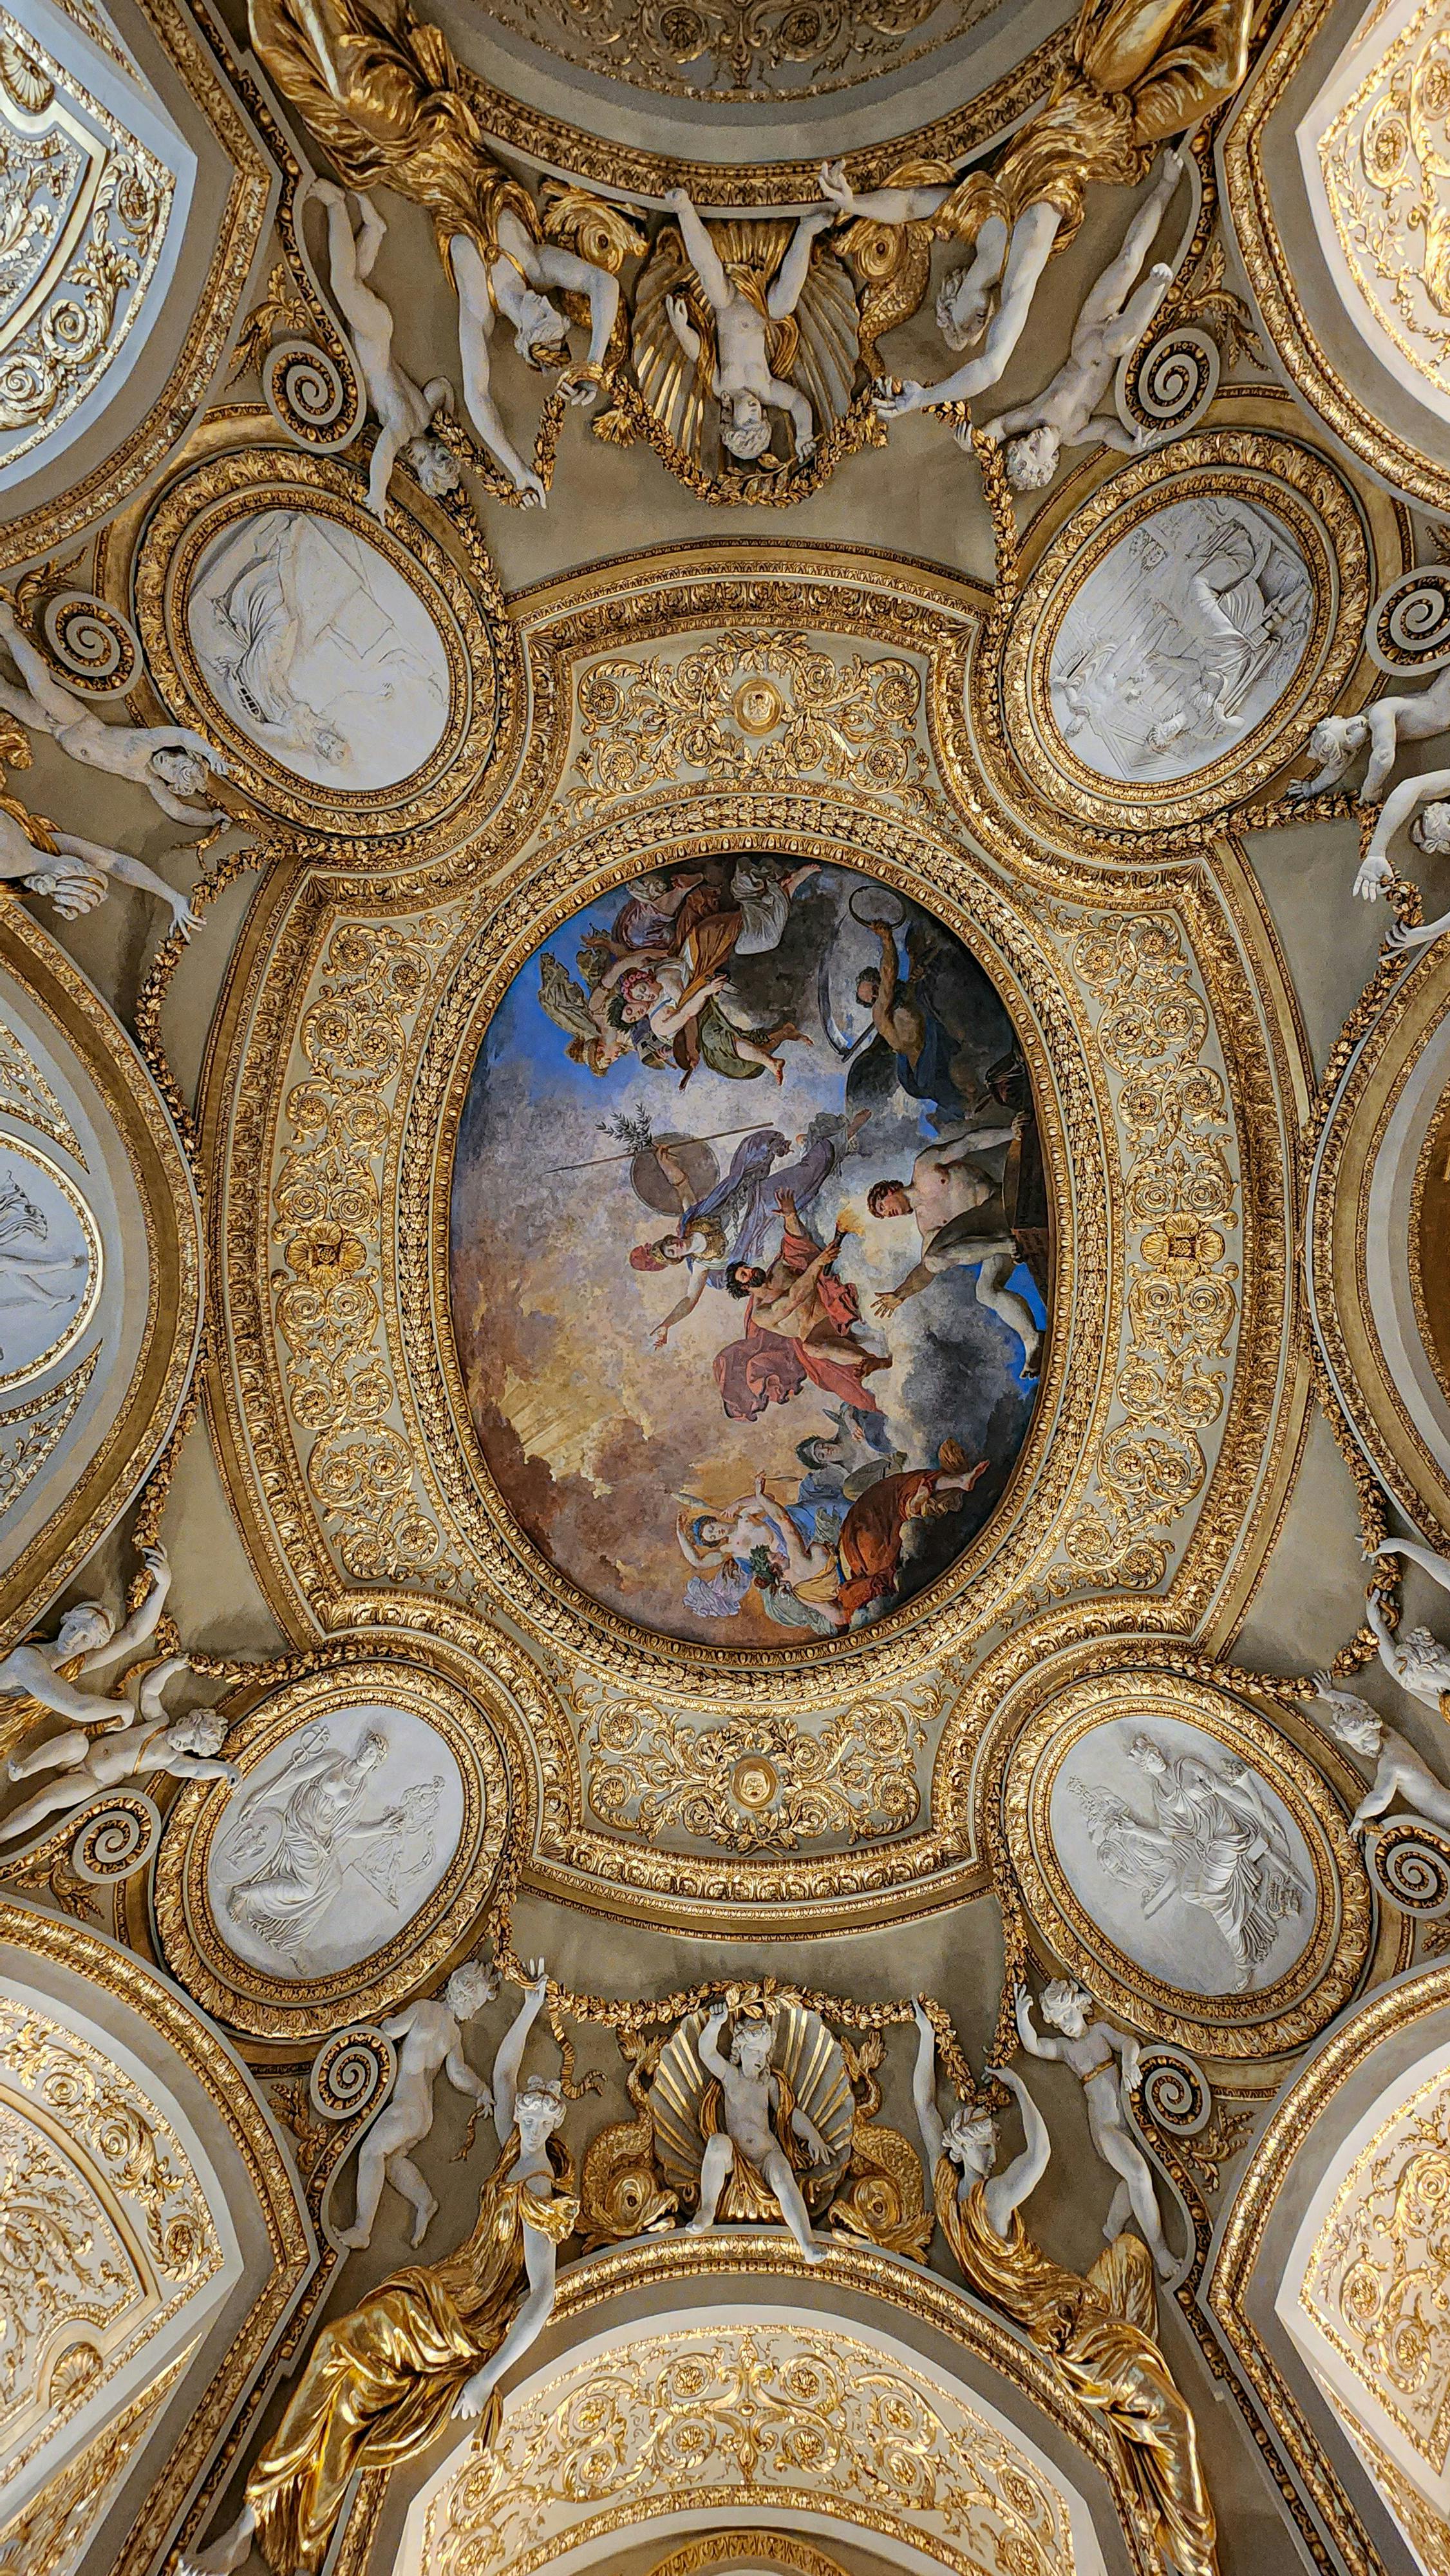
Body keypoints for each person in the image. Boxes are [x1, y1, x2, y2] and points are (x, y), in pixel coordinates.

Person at [178, 1963, 578, 2576]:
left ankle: (249, 2525)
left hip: (460, 2319)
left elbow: (543, 2296)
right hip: (439, 2289)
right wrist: (531, 2006)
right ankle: (255, 2527)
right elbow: (499, 2070)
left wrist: (486, 2378)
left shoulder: (541, 2189)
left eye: (538, 2110)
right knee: (347, 2394)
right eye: (524, 2105)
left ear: (552, 2125)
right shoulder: (509, 2156)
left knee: (339, 2345)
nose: (524, 2112)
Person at [248, 0, 620, 505]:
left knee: (311, 81)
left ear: (521, 344)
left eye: (540, 324)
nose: (544, 307)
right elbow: (604, 282)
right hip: (438, 133)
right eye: (553, 312)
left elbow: (477, 398)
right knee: (353, 88)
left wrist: (517, 473)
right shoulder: (534, 263)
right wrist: (594, 364)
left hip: (412, 170)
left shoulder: (478, 309)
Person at [818, 0, 1250, 423]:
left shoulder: (973, 214)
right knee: (1226, 72)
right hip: (1125, 130)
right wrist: (925, 398)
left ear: (949, 300)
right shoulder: (1018, 276)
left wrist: (852, 202)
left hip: (1092, 87)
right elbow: (991, 368)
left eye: (959, 325)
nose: (975, 328)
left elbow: (912, 203)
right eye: (973, 333)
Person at [910, 2002, 1219, 2576]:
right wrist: (1022, 2089)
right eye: (981, 2145)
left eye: (988, 2144)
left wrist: (927, 2037)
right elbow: (1042, 2153)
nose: (989, 2152)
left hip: (1072, 2305)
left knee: (1129, 2257)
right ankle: (1196, 2564)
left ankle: (1134, 2451)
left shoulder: (945, 2177)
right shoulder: (993, 2199)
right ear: (962, 2149)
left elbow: (926, 2106)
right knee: (1175, 2420)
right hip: (1072, 2334)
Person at [977, 149, 1182, 488]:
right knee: (1120, 341)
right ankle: (1157, 287)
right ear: (1049, 463)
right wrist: (1130, 445)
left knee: (1129, 257)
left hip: (1087, 332)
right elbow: (1105, 431)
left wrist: (979, 449)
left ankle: (1166, 185)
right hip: (1112, 345)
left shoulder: (1036, 414)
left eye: (1025, 443)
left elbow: (998, 427)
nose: (1032, 439)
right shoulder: (1074, 434)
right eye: (1034, 449)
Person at [0, 595, 227, 822]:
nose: (169, 760)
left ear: (173, 785)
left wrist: (212, 818)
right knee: (41, 686)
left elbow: (178, 811)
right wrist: (209, 753)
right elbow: (180, 735)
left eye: (174, 769)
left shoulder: (146, 777)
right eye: (177, 758)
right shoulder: (144, 744)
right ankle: (8, 629)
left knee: (7, 697)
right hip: (76, 721)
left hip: (58, 733)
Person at [314, 182, 461, 520]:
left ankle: (375, 229)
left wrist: (448, 418)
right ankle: (335, 202)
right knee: (341, 283)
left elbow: (442, 387)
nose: (412, 456)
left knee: (356, 278)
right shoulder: (406, 425)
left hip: (380, 333)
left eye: (416, 464)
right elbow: (383, 455)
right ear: (434, 446)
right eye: (423, 458)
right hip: (374, 339)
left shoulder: (424, 414)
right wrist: (377, 495)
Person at [337, 1958, 500, 2249]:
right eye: (474, 2004)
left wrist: (381, 2016)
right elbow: (458, 2074)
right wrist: (481, 2090)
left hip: (408, 2105)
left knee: (372, 2152)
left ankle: (363, 2228)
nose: (473, 2012)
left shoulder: (425, 2009)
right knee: (392, 2161)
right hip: (424, 2115)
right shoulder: (453, 2034)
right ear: (464, 1993)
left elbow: (389, 2030)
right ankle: (425, 2202)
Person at [1014, 1980, 1174, 2276]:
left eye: (1068, 2017)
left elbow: (1129, 2043)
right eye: (1059, 2022)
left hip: (1129, 2123)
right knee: (1139, 2174)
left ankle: (1112, 2228)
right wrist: (1022, 2016)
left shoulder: (1100, 2031)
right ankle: (1161, 2252)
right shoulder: (1067, 2050)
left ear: (1079, 2006)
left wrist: (1128, 2065)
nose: (1065, 2027)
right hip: (1106, 2127)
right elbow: (1035, 2046)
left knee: (1131, 2181)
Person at [663, 188, 834, 462]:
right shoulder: (766, 389)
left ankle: (684, 209)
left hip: (727, 303)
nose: (755, 414)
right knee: (786, 304)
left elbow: (701, 355)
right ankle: (805, 232)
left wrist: (682, 329)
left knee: (710, 275)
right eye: (759, 421)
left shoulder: (722, 388)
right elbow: (798, 403)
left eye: (747, 422)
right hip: (762, 307)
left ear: (729, 420)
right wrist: (803, 434)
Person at [0, 1656, 240, 1846]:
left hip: (92, 1780)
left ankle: (2, 1837)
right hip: (83, 1754)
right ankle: (23, 1769)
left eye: (191, 1747)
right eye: (191, 1738)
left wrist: (225, 1769)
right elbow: (149, 1690)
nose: (185, 1746)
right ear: (188, 1721)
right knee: (76, 1740)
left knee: (43, 1802)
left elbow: (197, 1770)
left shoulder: (171, 1760)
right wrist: (171, 1666)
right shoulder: (159, 1720)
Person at [867, 1117, 1042, 1376]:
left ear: (891, 1189)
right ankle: (1034, 1340)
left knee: (935, 1256)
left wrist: (1010, 1132)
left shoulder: (925, 1168)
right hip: (995, 1238)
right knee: (985, 1291)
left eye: (883, 1207)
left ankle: (1006, 1245)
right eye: (882, 1216)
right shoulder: (927, 1227)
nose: (887, 1214)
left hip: (1000, 1202)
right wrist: (901, 1294)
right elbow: (926, 1271)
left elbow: (969, 1142)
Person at [688, 2006, 829, 2261]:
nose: (760, 2059)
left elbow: (789, 2114)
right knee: (717, 2143)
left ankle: (806, 2242)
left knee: (782, 2173)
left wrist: (813, 2136)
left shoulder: (769, 2084)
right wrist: (715, 2024)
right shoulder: (731, 2077)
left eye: (764, 2054)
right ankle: (707, 2209)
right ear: (739, 2051)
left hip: (766, 2155)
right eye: (754, 2051)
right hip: (737, 2158)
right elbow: (707, 2053)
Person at [0, 1542, 176, 1739]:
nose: (73, 1638)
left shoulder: (70, 1666)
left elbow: (132, 1636)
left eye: (85, 1638)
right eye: (73, 1627)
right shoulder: (25, 1659)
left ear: (96, 1645)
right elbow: (78, 1707)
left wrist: (163, 1587)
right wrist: (123, 1708)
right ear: (66, 1619)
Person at [834, 1443, 988, 1623]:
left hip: (870, 1559)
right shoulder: (846, 1589)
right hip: (858, 1547)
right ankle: (936, 1493)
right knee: (899, 1490)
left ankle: (917, 1505)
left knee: (900, 1500)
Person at [1288, 663, 1450, 809]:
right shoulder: (1365, 731)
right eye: (1348, 734)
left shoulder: (1377, 713)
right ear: (1349, 751)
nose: (1354, 725)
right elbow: (1339, 766)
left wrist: (1369, 789)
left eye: (1347, 722)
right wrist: (1313, 787)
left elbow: (1383, 756)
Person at [1310, 1671, 1450, 1839]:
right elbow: (1363, 1709)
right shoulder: (1392, 1739)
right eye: (1356, 1744)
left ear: (1374, 1730)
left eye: (1365, 1739)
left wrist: (1360, 1816)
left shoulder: (1390, 1763)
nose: (1363, 1747)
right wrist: (1331, 1695)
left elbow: (1380, 1799)